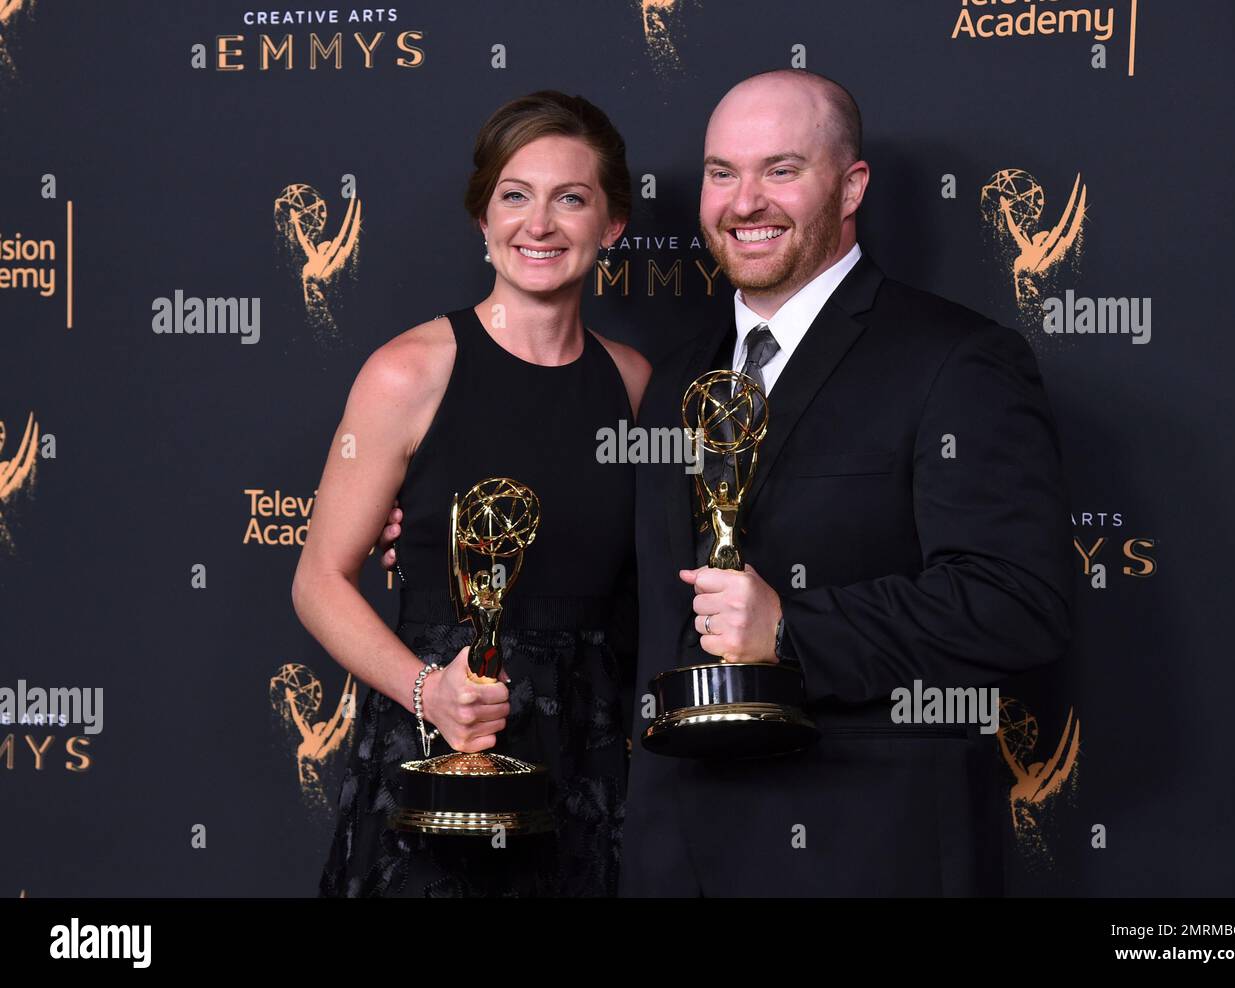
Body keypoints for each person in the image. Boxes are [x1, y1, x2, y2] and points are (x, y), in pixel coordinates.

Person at [613, 68, 1075, 896]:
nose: (744, 201)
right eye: (723, 174)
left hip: (866, 853)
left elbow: (1016, 604)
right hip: (676, 852)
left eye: (781, 171)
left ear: (852, 184)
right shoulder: (677, 378)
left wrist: (792, 626)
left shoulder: (956, 360)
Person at [292, 90, 650, 897]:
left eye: (571, 198)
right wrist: (431, 693)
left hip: (588, 760)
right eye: (514, 196)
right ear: (482, 222)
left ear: (613, 225)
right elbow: (317, 581)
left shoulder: (634, 385)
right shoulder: (409, 371)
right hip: (439, 752)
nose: (540, 224)